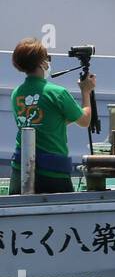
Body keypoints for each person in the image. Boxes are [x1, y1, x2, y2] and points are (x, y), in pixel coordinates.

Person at [8, 39, 95, 195]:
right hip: (52, 172)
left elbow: (42, 123)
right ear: (42, 62)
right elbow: (84, 120)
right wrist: (86, 92)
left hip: (20, 169)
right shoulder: (57, 93)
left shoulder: (16, 93)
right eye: (47, 58)